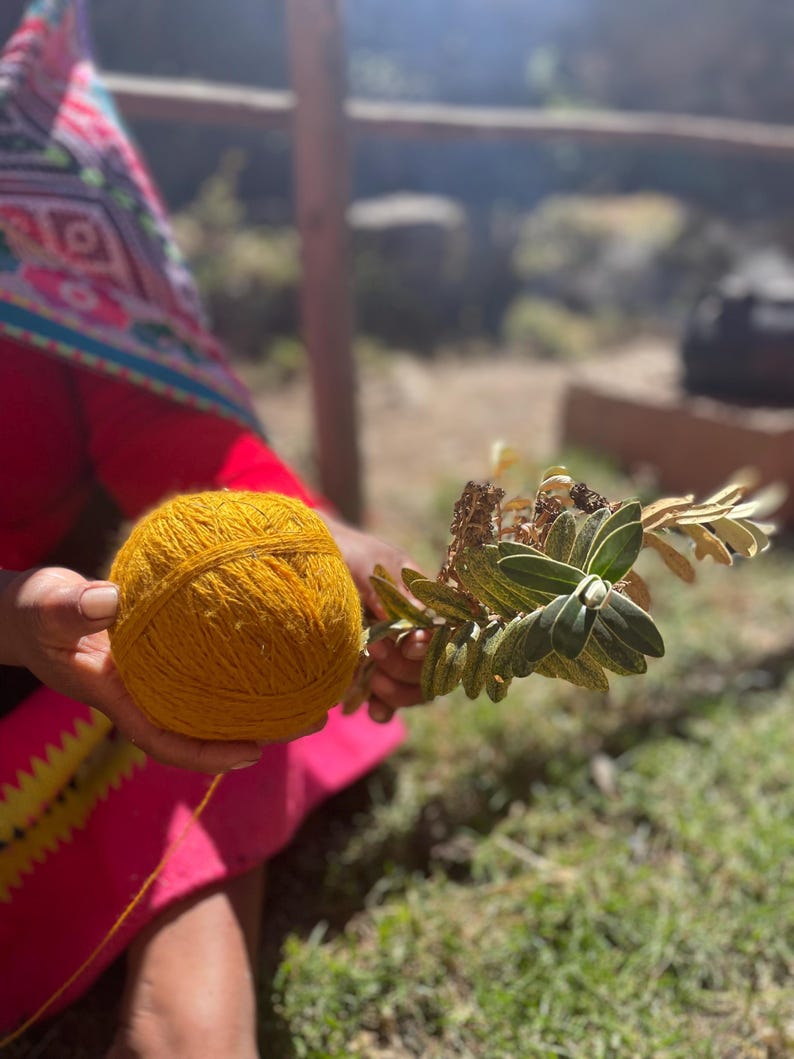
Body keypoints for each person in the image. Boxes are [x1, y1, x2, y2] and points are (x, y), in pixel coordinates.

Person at [0, 2, 429, 1055]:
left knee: (234, 675)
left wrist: (314, 535)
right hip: (28, 633)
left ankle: (183, 996)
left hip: (62, 642)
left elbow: (154, 416)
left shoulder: (40, 144)